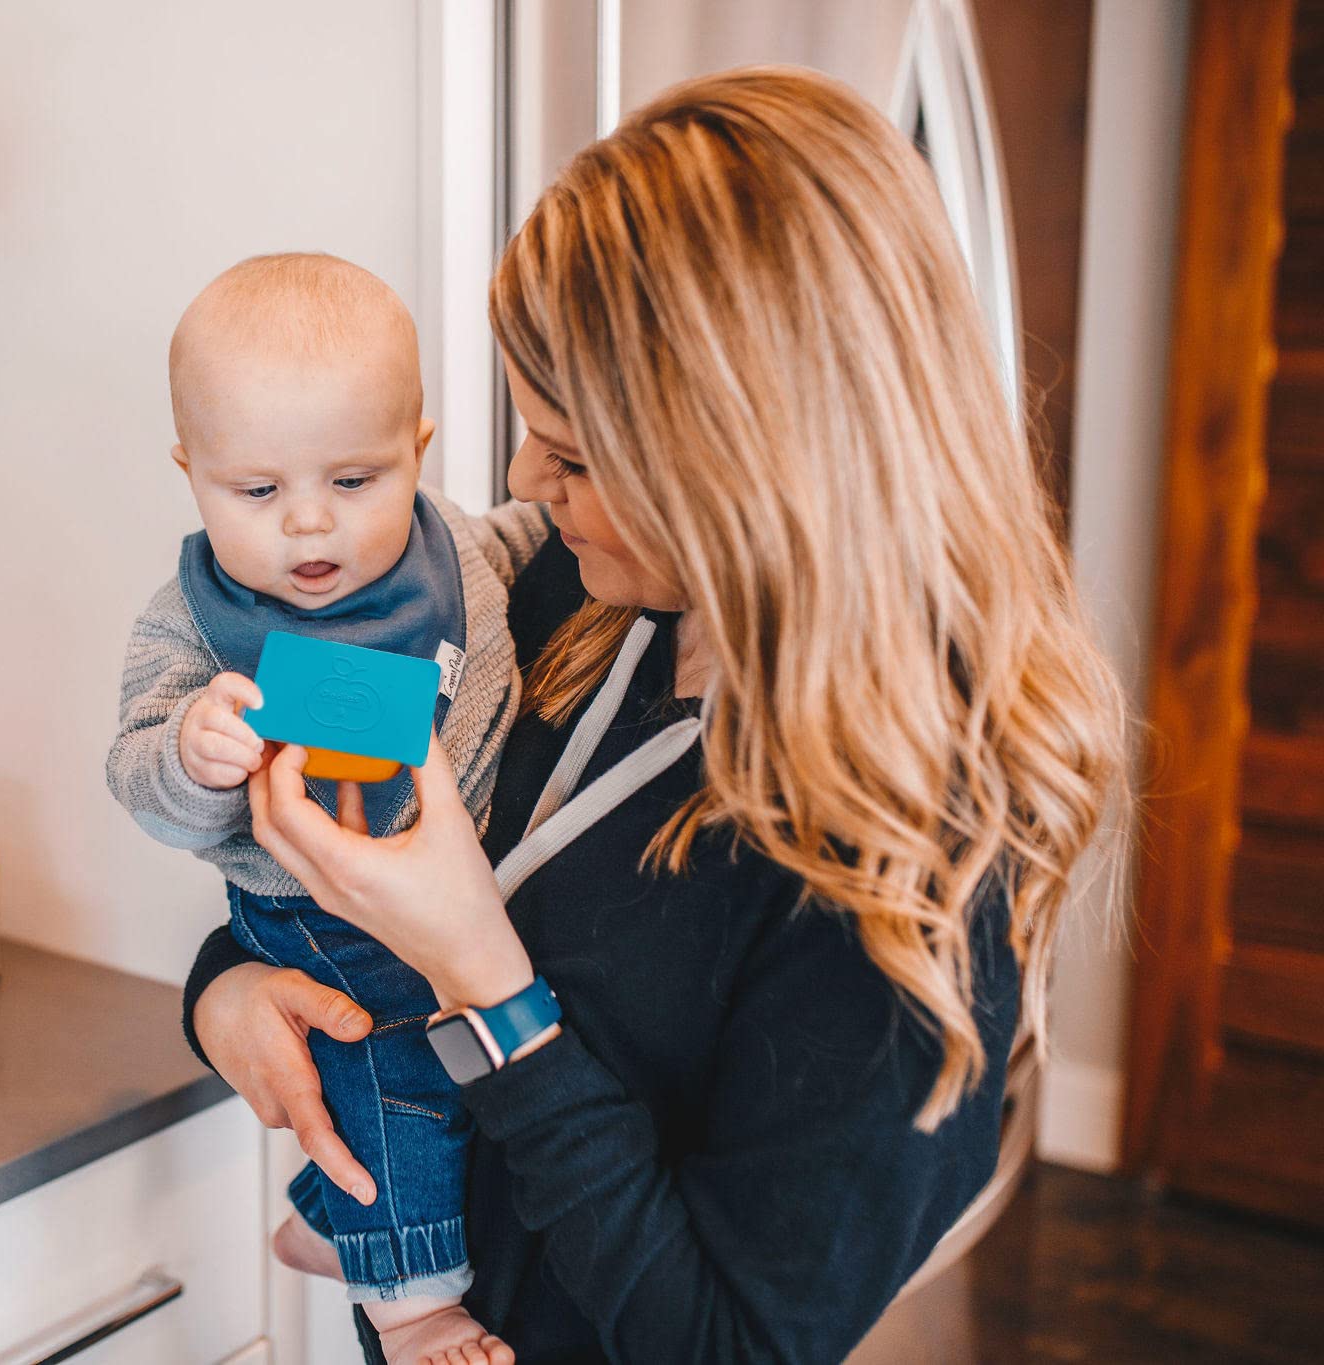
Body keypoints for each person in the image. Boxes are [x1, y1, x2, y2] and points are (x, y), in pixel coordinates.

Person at [182, 67, 1127, 1363]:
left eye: (572, 458)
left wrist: (487, 980)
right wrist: (226, 986)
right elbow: (322, 837)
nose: (519, 483)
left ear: (750, 470)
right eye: (531, 435)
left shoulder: (916, 852)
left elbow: (729, 1339)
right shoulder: (567, 591)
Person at [107, 253, 547, 1363]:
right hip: (310, 907)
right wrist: (193, 753)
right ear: (188, 471)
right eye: (255, 493)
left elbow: (533, 539)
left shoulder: (453, 549)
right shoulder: (196, 626)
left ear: (417, 452)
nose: (308, 528)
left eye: (354, 482)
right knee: (396, 1056)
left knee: (435, 1078)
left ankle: (323, 1216)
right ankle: (412, 1300)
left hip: (450, 878)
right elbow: (133, 769)